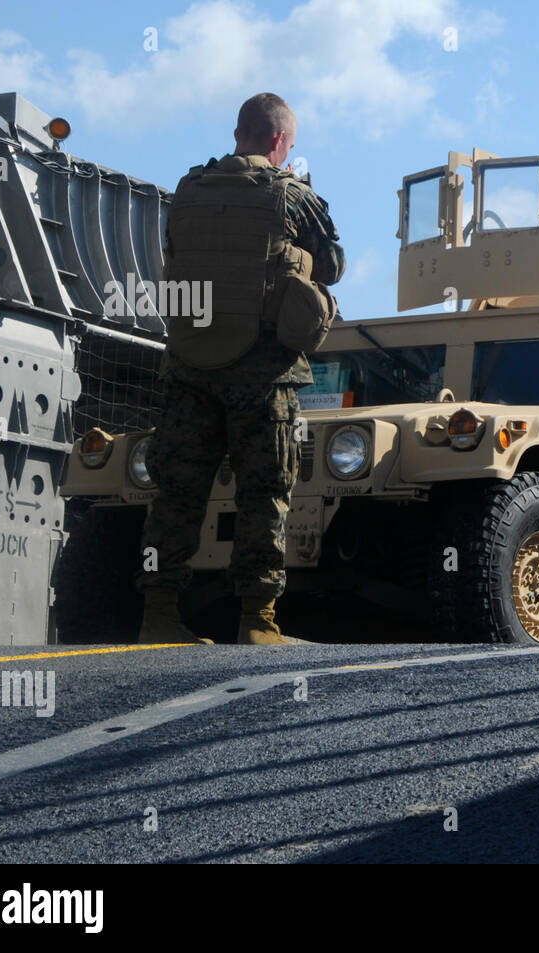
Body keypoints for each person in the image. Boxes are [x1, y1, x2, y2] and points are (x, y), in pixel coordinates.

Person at [135, 92, 345, 645]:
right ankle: (258, 620)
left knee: (176, 493)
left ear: (238, 134)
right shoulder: (292, 195)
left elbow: (175, 253)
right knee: (265, 492)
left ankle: (158, 614)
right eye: (290, 145)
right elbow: (334, 265)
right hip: (262, 373)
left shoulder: (187, 190)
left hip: (188, 367)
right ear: (280, 142)